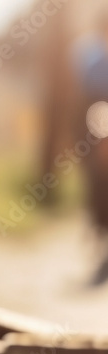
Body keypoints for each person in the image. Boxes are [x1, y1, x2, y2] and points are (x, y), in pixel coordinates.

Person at [73, 14, 108, 284]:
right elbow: (94, 102)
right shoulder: (94, 61)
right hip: (99, 130)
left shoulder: (92, 59)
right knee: (99, 189)